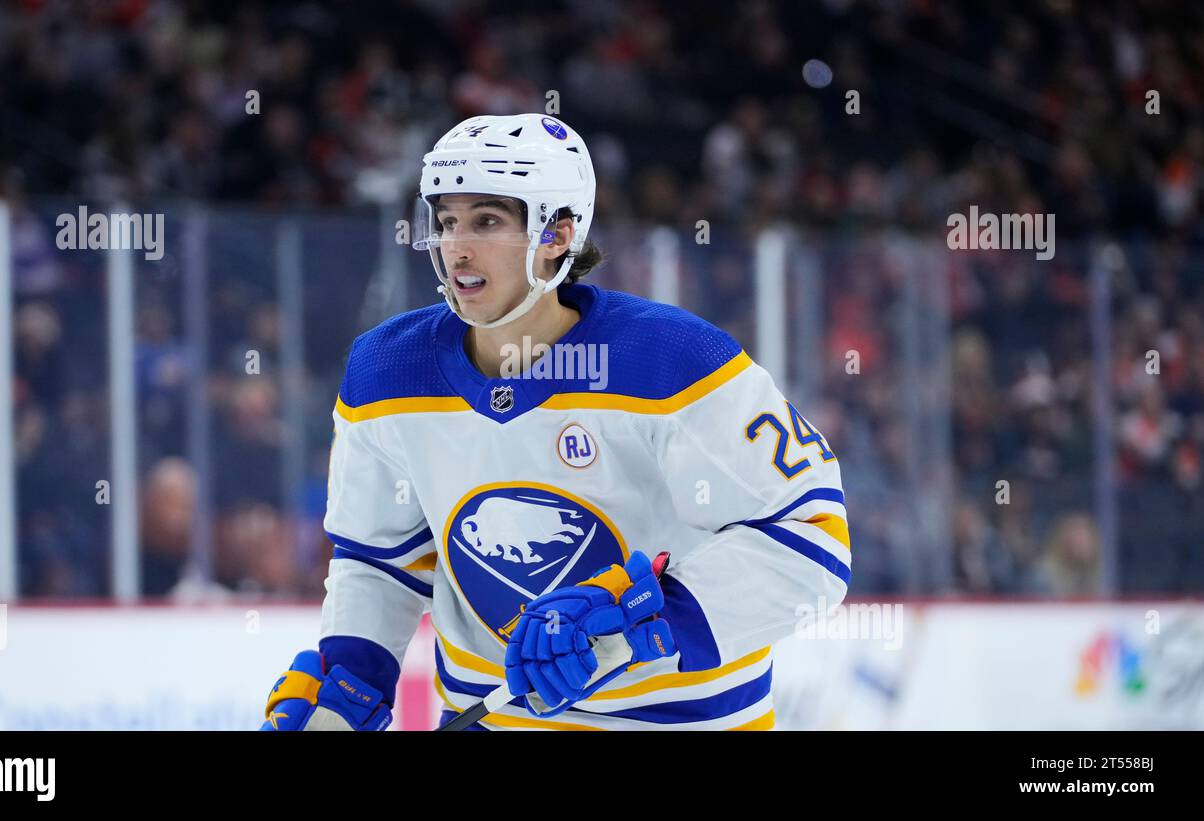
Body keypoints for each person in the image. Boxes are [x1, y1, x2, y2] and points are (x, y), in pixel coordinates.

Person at [261, 113, 850, 731]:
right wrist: (351, 683)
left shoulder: (673, 362)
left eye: (487, 221)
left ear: (558, 233)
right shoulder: (387, 373)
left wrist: (632, 621)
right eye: (446, 222)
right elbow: (379, 559)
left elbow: (813, 547)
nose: (456, 247)